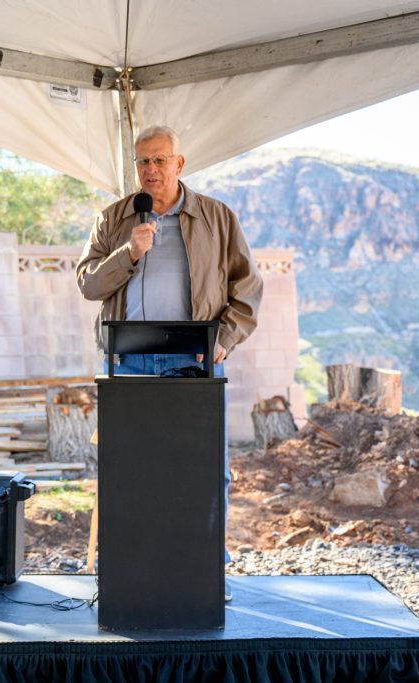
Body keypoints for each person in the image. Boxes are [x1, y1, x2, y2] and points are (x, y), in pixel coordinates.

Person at [75, 125, 263, 600]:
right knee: (129, 466)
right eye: (143, 162)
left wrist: (224, 339)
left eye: (160, 161)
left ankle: (205, 573)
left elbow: (248, 290)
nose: (151, 170)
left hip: (194, 360)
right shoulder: (115, 218)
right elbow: (88, 283)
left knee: (204, 468)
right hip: (128, 363)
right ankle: (130, 573)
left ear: (180, 164)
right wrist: (129, 251)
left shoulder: (216, 217)